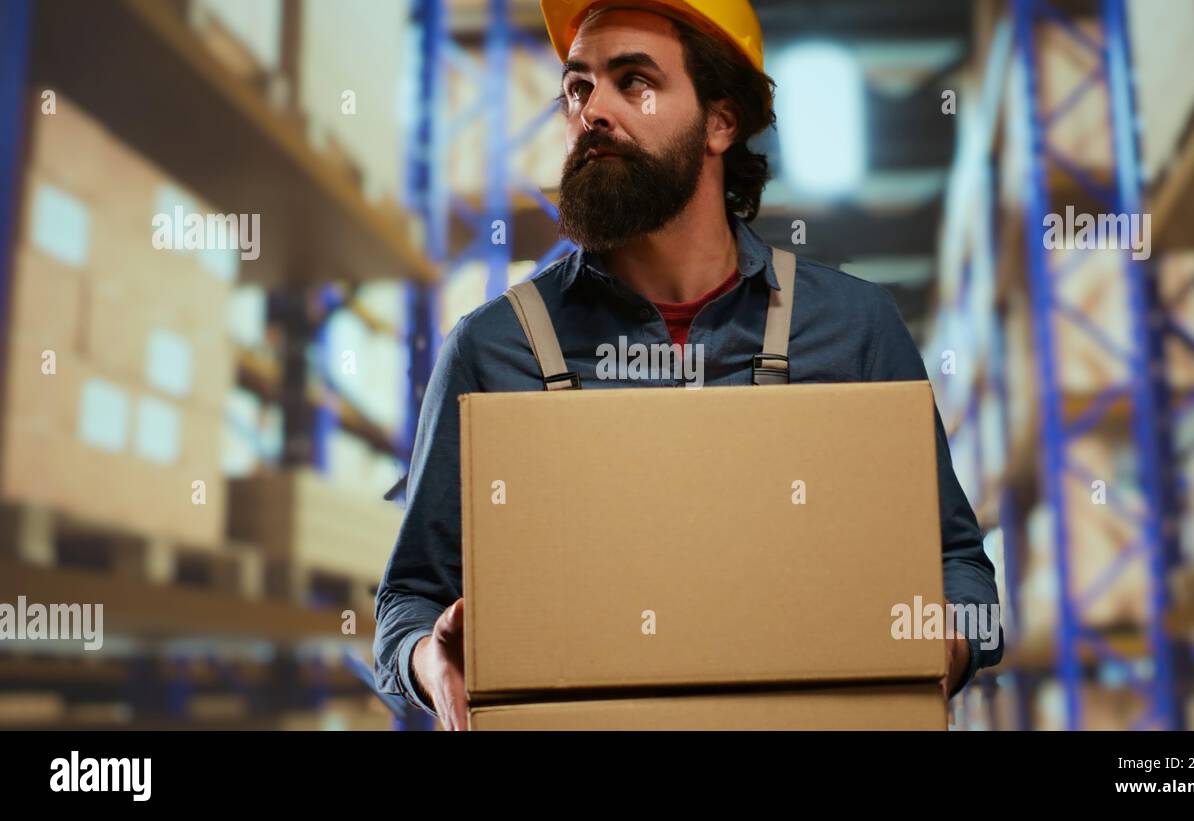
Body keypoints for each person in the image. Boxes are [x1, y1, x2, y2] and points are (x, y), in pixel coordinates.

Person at [374, 0, 1002, 730]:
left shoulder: (855, 333)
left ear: (720, 122)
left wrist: (933, 654)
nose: (593, 111)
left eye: (633, 81)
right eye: (577, 88)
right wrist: (429, 660)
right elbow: (407, 599)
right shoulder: (491, 350)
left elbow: (965, 573)